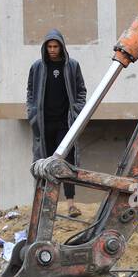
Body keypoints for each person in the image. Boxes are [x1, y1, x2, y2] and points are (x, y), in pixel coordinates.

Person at [26, 30, 87, 216]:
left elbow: (81, 91)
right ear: (45, 48)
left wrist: (76, 111)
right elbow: (30, 91)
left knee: (66, 161)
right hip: (44, 124)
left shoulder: (72, 66)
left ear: (61, 46)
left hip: (65, 123)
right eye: (49, 47)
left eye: (55, 46)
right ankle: (46, 205)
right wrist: (32, 113)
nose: (52, 50)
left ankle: (70, 205)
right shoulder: (37, 67)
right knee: (45, 162)